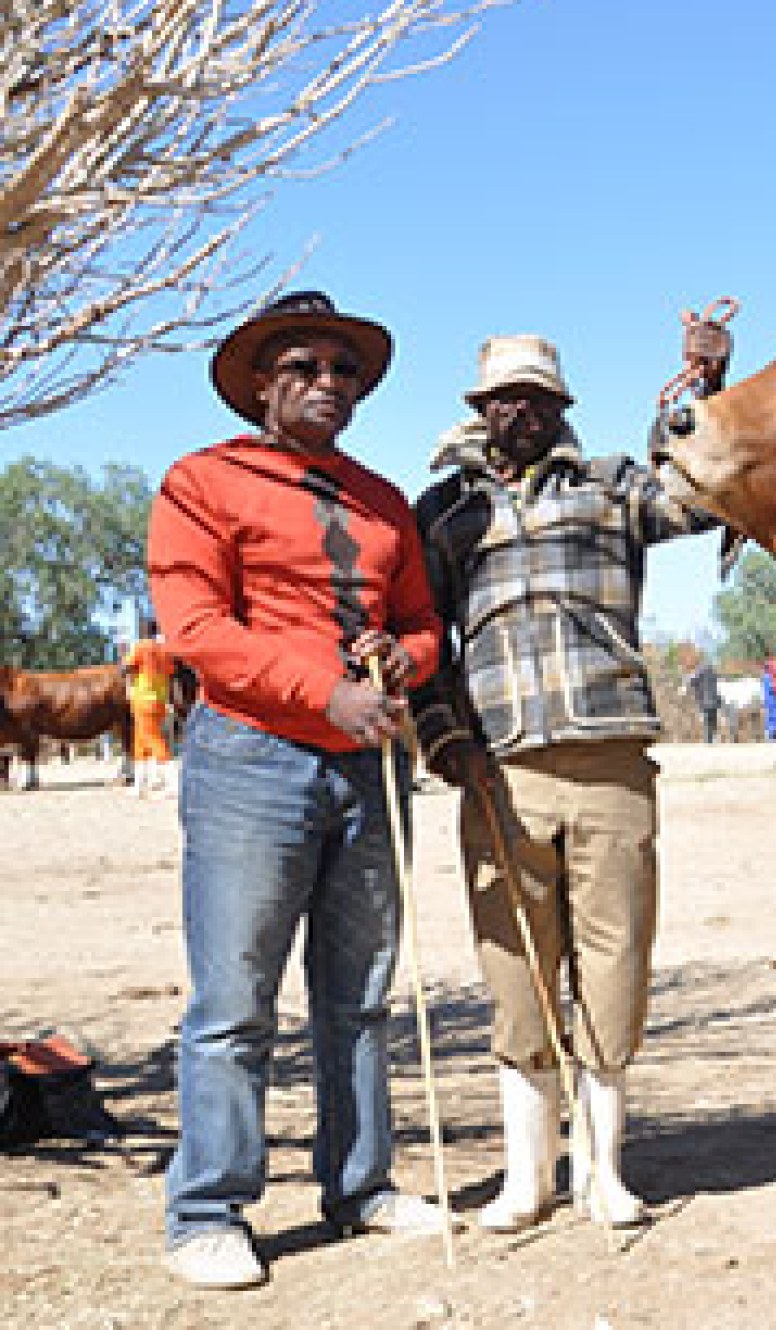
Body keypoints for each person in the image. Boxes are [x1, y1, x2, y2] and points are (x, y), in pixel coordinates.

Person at [147, 291, 450, 1291]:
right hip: (251, 760)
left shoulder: (382, 499)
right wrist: (325, 690)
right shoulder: (202, 482)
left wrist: (395, 666)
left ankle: (360, 1184)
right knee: (235, 1000)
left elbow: (420, 627)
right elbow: (198, 630)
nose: (329, 384)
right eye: (305, 368)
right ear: (261, 384)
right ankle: (208, 1209)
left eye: (344, 371)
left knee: (360, 996)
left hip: (369, 768)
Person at [410, 331, 731, 1232]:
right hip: (499, 768)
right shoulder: (440, 513)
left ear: (562, 409)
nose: (522, 411)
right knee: (515, 968)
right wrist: (446, 743)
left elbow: (706, 494)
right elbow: (425, 640)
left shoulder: (611, 485)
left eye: (538, 397)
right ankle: (528, 1179)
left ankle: (603, 1171)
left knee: (615, 962)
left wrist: (703, 390)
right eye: (505, 397)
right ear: (482, 411)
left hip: (610, 757)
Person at [122, 618, 178, 797]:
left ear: (142, 631)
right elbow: (171, 674)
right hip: (160, 701)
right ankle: (139, 786)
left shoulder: (141, 646)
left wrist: (124, 655)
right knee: (140, 743)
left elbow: (125, 668)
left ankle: (173, 784)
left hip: (143, 700)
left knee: (154, 741)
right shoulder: (164, 650)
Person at [683, 655, 722, 744]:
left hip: (705, 701)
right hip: (714, 701)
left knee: (707, 721)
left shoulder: (700, 672)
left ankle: (708, 740)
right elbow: (719, 685)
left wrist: (686, 680)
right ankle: (712, 739)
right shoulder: (713, 673)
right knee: (713, 720)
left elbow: (691, 682)